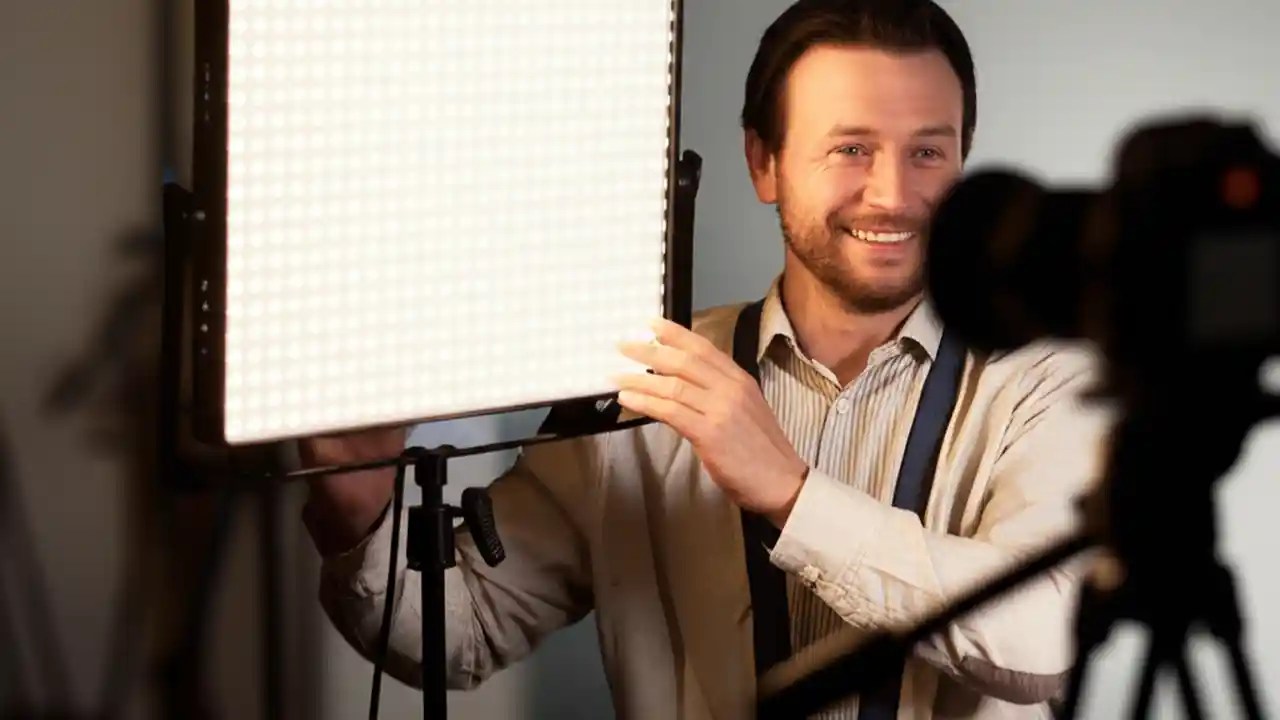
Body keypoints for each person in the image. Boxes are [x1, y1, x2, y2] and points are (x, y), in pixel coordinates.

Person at [300, 1, 1113, 717]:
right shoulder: (647, 383)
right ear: (763, 162)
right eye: (851, 149)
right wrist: (356, 511)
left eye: (928, 152)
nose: (894, 195)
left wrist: (792, 495)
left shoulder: (1051, 382)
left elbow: (1042, 639)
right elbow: (462, 633)